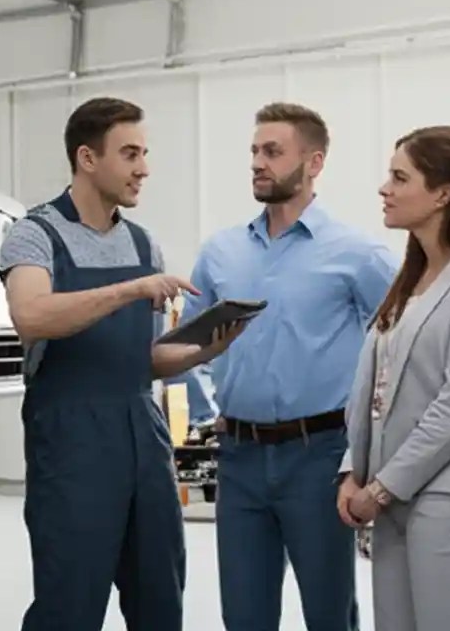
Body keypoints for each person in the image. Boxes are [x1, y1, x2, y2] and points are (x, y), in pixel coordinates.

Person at [0, 97, 243, 631]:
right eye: (130, 153)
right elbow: (32, 315)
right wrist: (131, 287)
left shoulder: (142, 243)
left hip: (142, 432)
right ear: (88, 158)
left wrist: (205, 350)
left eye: (145, 153)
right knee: (70, 601)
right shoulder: (36, 234)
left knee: (159, 594)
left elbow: (139, 360)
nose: (144, 168)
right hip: (70, 436)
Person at [181, 102, 399, 631]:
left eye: (273, 152)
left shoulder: (359, 254)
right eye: (255, 151)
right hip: (238, 458)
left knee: (329, 613)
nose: (258, 161)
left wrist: (365, 451)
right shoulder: (220, 252)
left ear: (314, 162)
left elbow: (400, 348)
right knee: (245, 615)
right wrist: (203, 413)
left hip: (319, 458)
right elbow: (187, 346)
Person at [337, 125, 450, 631]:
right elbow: (371, 393)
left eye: (400, 177)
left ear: (443, 194)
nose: (384, 188)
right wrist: (352, 470)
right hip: (392, 496)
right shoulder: (408, 284)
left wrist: (377, 490)